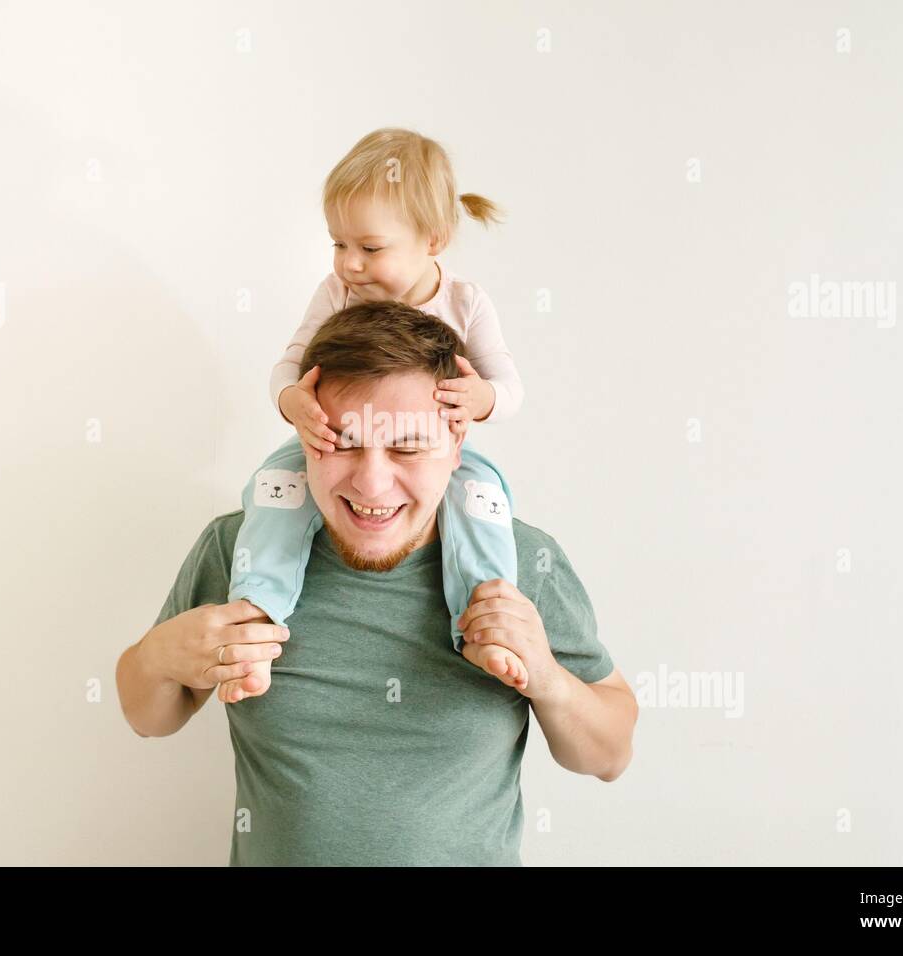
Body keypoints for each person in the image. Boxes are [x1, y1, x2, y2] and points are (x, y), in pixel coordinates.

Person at [115, 301, 639, 866]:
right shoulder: (237, 551)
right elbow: (150, 718)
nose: (371, 482)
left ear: (456, 447)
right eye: (341, 443)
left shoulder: (523, 562)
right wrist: (158, 658)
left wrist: (547, 679)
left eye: (407, 447)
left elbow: (609, 756)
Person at [224, 127, 528, 701]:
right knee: (275, 489)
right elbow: (288, 366)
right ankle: (258, 615)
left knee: (483, 505)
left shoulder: (465, 302)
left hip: (433, 456)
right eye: (338, 245)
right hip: (333, 439)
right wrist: (293, 401)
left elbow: (509, 387)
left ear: (433, 239)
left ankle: (487, 620)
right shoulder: (336, 292)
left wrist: (482, 399)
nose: (350, 265)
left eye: (369, 247)